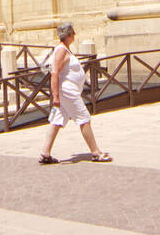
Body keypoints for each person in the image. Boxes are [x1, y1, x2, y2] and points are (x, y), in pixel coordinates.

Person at [39, 22, 111, 164]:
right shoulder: (61, 50)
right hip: (67, 92)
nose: (75, 35)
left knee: (57, 120)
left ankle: (45, 153)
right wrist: (56, 97)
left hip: (68, 91)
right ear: (68, 35)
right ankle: (95, 152)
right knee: (84, 118)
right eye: (73, 33)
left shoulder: (65, 49)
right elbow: (54, 73)